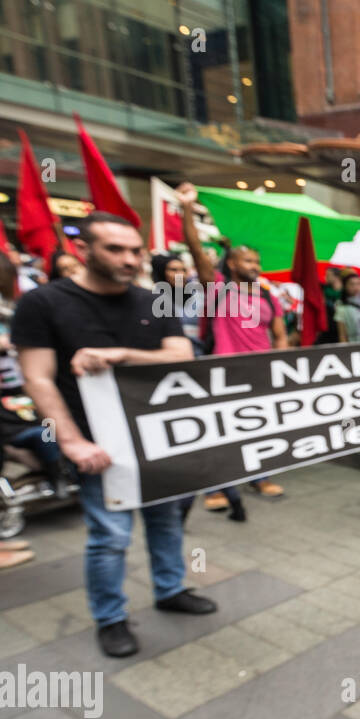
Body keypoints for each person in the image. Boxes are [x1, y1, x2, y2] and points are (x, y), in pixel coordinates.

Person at [11, 212, 217, 657]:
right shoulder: (43, 304)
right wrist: (70, 441)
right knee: (111, 535)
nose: (128, 258)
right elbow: (38, 377)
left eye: (135, 250)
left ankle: (170, 588)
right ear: (83, 250)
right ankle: (111, 618)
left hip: (158, 438)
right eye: (114, 249)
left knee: (166, 521)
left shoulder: (152, 299)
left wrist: (119, 354)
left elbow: (179, 353)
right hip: (96, 444)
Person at [177, 182, 288, 521]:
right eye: (247, 260)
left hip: (259, 375)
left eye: (257, 260)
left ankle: (259, 477)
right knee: (219, 433)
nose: (255, 265)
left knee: (258, 428)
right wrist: (186, 209)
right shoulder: (219, 289)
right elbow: (196, 251)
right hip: (222, 374)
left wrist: (279, 362)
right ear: (233, 263)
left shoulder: (268, 297)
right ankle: (214, 488)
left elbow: (281, 336)